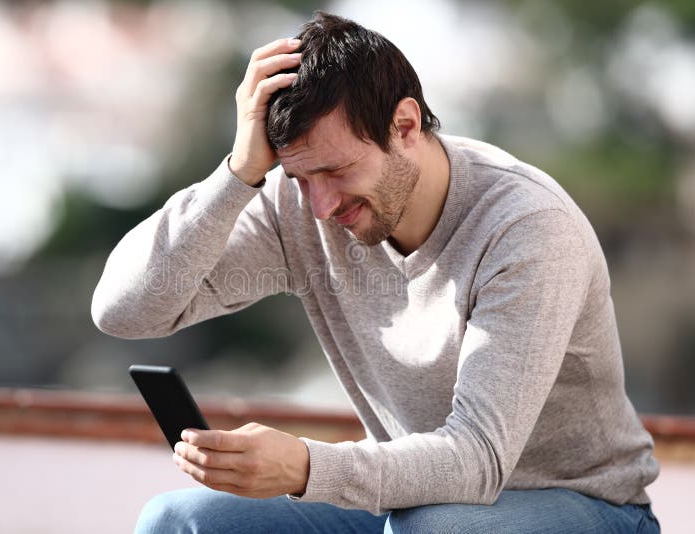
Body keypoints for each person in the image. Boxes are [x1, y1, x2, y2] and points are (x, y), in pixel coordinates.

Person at [91, 12, 660, 534]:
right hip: (410, 505)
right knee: (177, 520)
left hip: (586, 508)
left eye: (336, 170)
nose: (321, 205)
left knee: (435, 529)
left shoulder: (526, 227)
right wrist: (237, 174)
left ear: (406, 124)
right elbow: (125, 311)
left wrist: (306, 466)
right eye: (299, 177)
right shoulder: (302, 207)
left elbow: (479, 458)